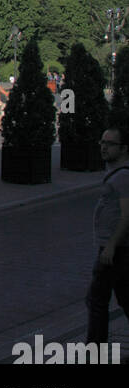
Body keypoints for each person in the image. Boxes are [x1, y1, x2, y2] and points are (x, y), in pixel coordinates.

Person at [85, 125, 129, 344]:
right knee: (124, 298)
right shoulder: (116, 173)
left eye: (110, 144)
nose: (103, 147)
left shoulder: (122, 177)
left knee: (96, 301)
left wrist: (111, 245)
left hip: (115, 248)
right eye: (102, 142)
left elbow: (127, 214)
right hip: (118, 248)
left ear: (123, 149)